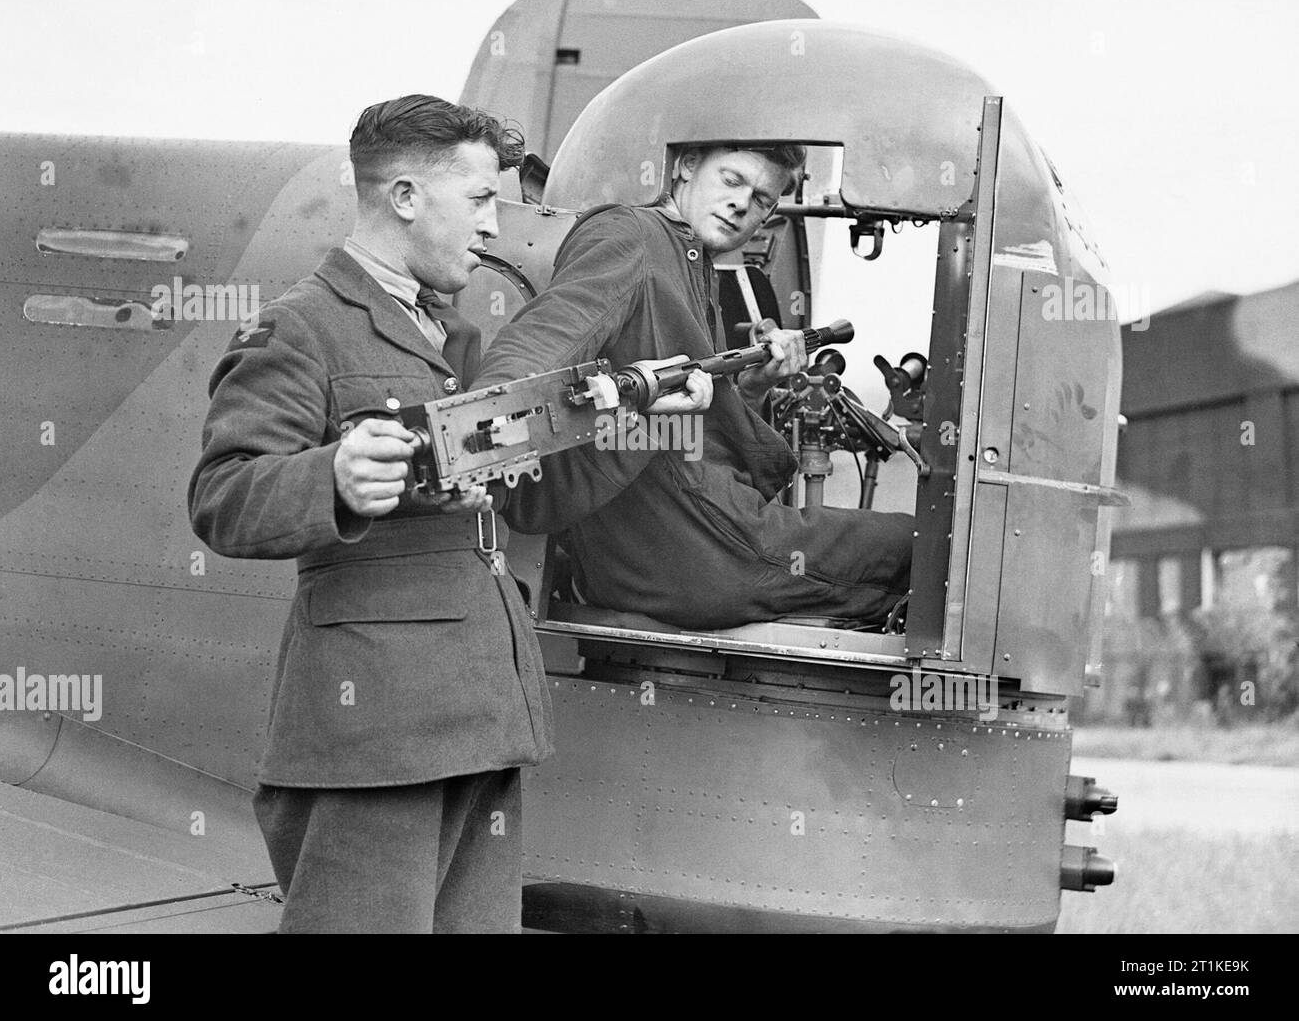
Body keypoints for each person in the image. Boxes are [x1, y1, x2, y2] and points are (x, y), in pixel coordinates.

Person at [188, 95, 553, 933]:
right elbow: (222, 498)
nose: (496, 227)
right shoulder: (302, 326)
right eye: (481, 201)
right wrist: (334, 479)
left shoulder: (448, 336)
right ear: (404, 197)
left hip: (480, 717)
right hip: (375, 736)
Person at [475, 144, 914, 629]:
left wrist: (751, 388)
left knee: (910, 562)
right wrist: (471, 434)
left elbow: (696, 434)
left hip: (699, 543)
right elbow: (545, 340)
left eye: (763, 199)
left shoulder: (691, 260)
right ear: (685, 166)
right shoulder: (631, 236)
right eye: (732, 180)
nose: (742, 206)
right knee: (926, 550)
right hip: (697, 554)